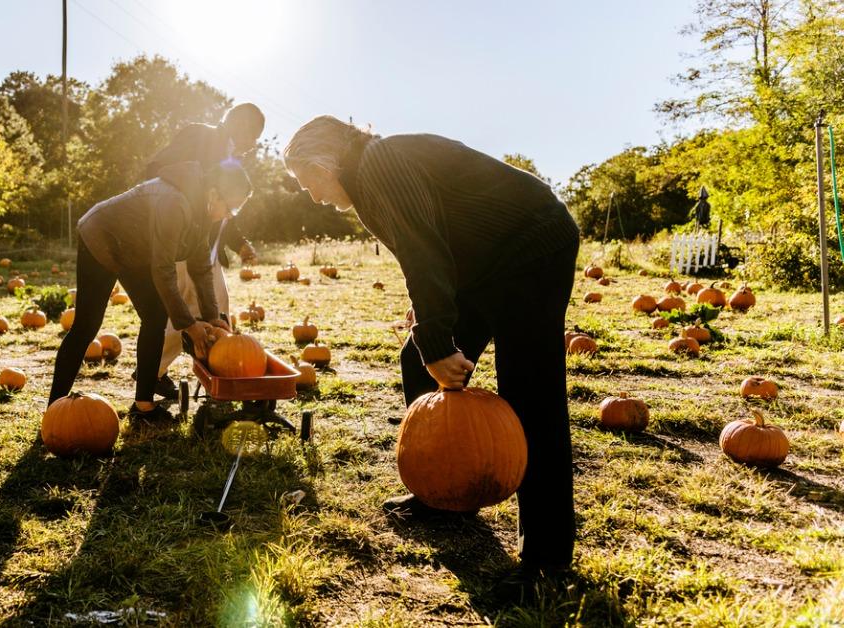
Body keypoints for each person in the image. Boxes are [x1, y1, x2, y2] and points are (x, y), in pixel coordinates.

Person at [282, 115, 580, 597]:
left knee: (530, 391)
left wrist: (440, 343)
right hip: (482, 262)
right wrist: (429, 328)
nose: (313, 195)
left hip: (532, 246)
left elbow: (424, 251)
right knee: (413, 357)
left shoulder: (380, 163)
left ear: (328, 161)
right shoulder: (368, 177)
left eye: (308, 181)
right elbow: (425, 248)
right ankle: (444, 492)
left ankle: (546, 559)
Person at [48, 161, 252, 421]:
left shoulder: (203, 211)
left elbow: (200, 267)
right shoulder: (175, 203)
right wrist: (189, 325)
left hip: (134, 248)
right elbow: (163, 271)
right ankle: (54, 409)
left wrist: (212, 316)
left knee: (155, 315)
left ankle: (143, 406)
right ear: (214, 194)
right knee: (87, 326)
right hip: (101, 236)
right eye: (231, 207)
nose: (229, 216)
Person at [139, 103, 265, 398]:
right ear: (242, 127)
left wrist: (240, 243)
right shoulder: (200, 137)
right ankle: (157, 372)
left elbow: (224, 212)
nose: (255, 143)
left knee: (217, 308)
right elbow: (155, 170)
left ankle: (223, 371)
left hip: (205, 250)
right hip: (181, 241)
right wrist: (176, 214)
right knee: (184, 310)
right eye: (255, 135)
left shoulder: (233, 162)